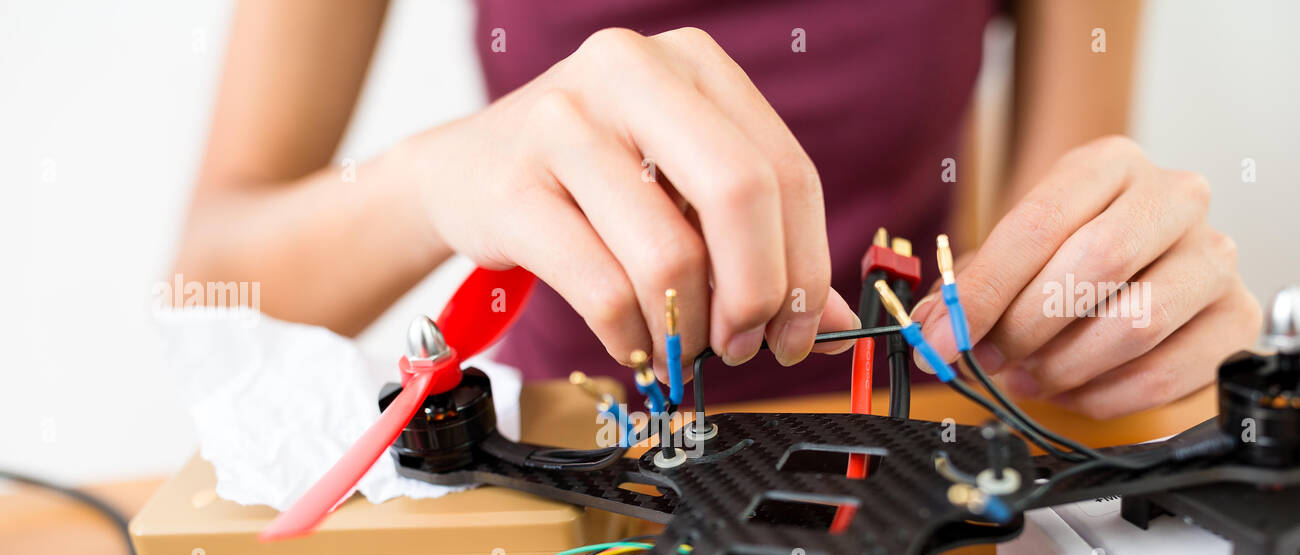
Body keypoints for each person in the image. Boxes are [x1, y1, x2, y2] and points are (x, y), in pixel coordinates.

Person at [173, 0, 1261, 416]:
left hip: (910, 478)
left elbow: (1053, 247)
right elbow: (210, 278)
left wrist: (1117, 293)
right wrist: (433, 180)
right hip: (565, 475)